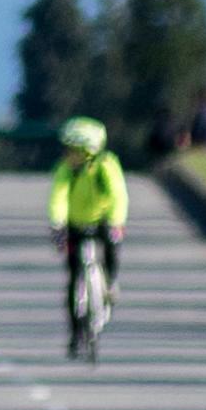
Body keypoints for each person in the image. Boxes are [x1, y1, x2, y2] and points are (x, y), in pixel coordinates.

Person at [50, 113, 128, 347]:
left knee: (112, 249)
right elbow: (58, 197)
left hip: (102, 220)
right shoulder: (66, 169)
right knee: (74, 276)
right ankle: (75, 332)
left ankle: (111, 282)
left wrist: (116, 222)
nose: (67, 155)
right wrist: (57, 224)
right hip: (75, 223)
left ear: (88, 151)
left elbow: (118, 195)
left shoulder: (106, 165)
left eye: (72, 150)